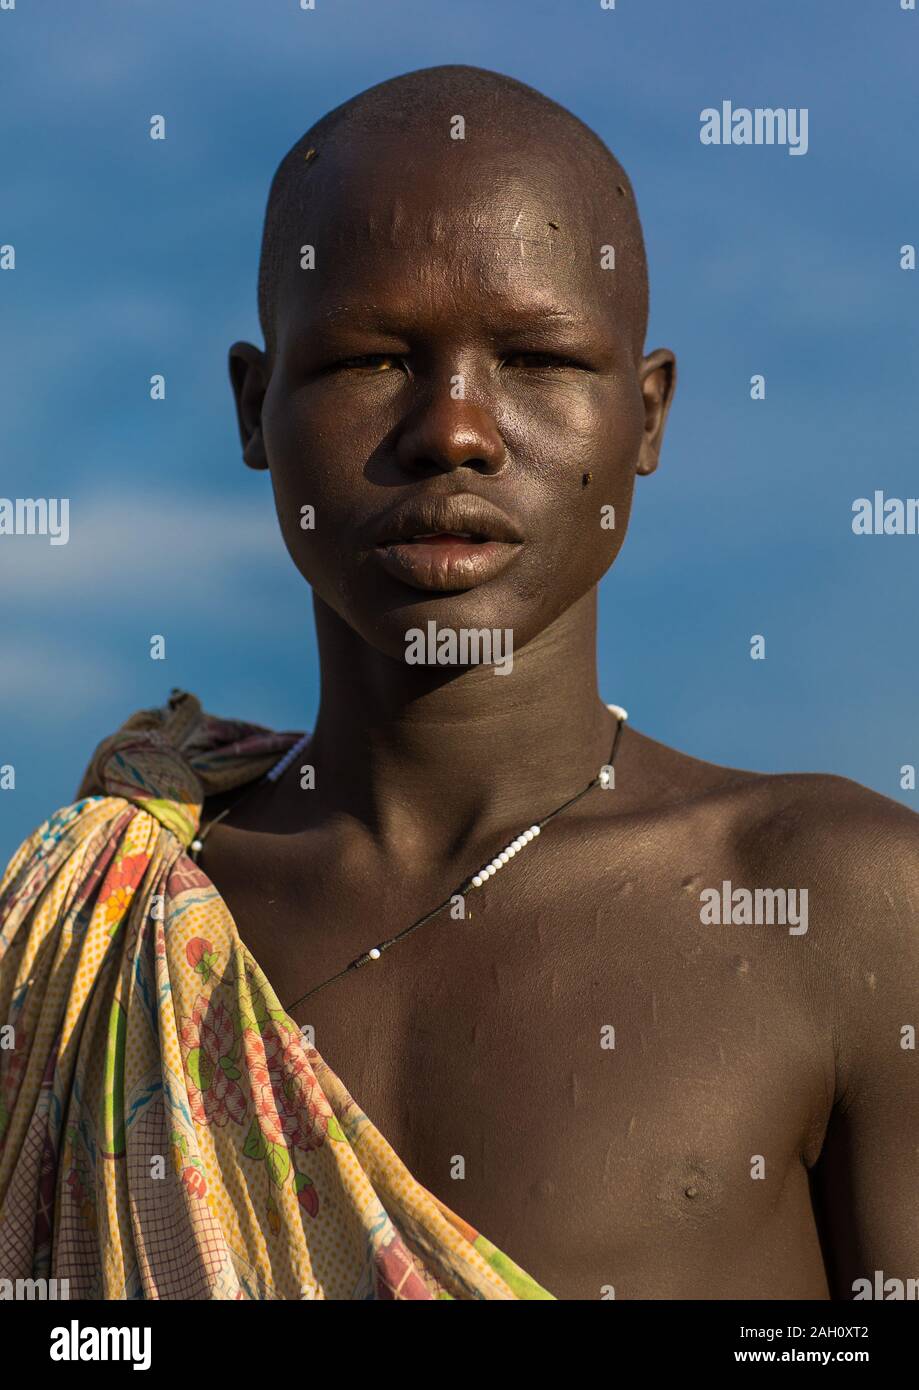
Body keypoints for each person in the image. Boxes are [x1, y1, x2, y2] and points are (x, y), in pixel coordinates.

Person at [2, 65, 917, 1302]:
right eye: (371, 361)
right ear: (253, 407)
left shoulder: (836, 904)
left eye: (537, 359)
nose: (456, 430)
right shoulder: (97, 932)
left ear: (643, 420)